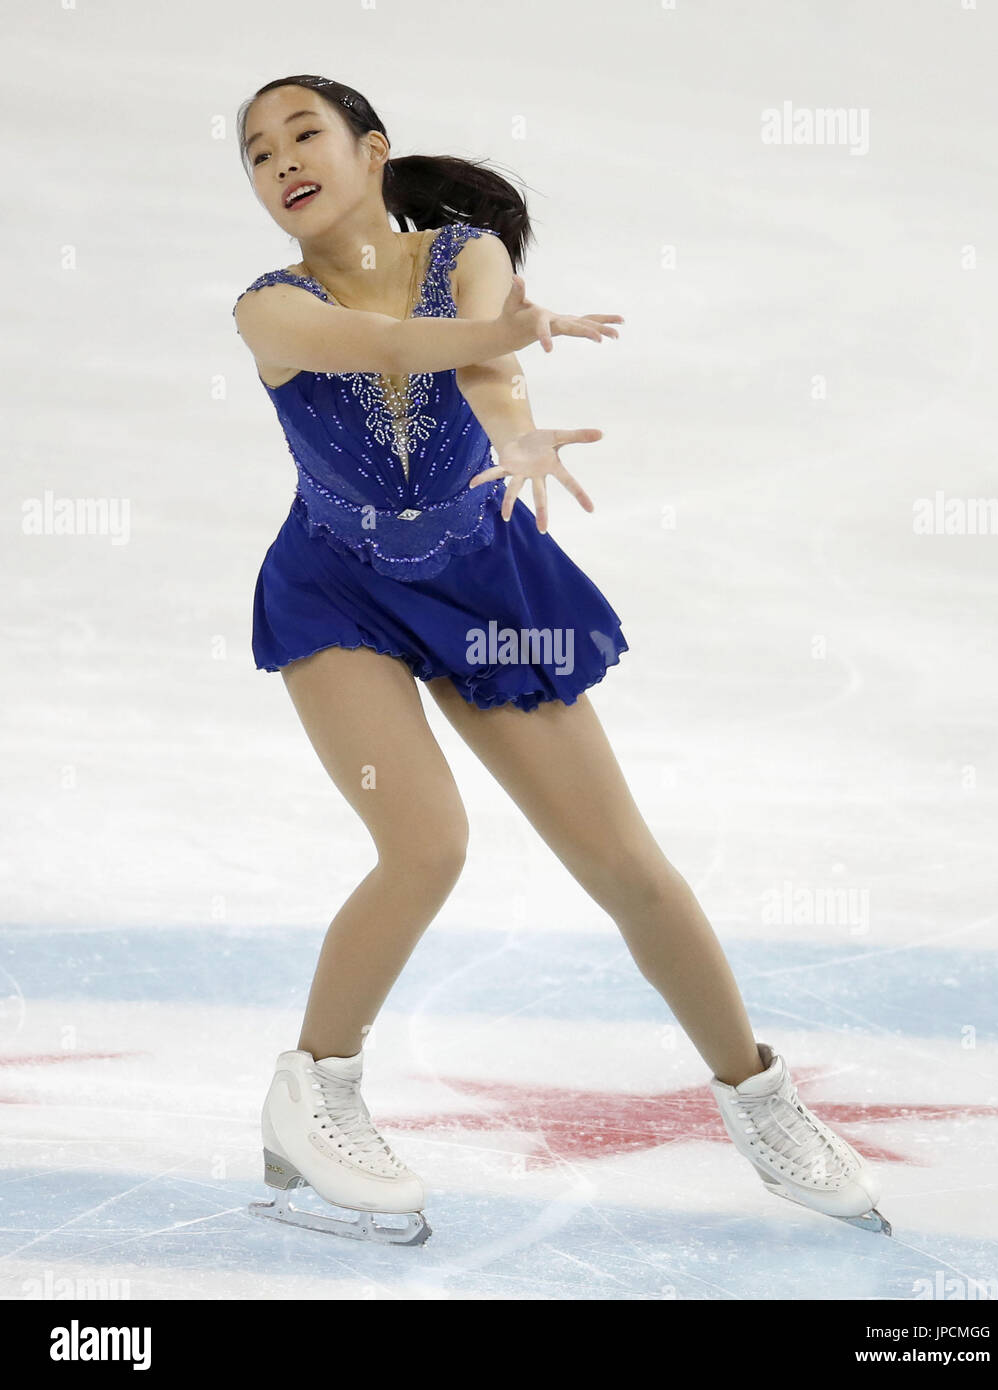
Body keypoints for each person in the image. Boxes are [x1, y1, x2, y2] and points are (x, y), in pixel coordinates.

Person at [231, 75, 890, 1246]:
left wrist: (513, 420)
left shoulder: (467, 251)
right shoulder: (269, 309)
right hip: (338, 584)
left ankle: (758, 1095)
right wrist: (506, 334)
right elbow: (383, 342)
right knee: (424, 841)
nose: (280, 158)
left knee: (627, 865)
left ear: (370, 149)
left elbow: (485, 371)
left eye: (304, 133)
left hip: (482, 583)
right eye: (256, 151)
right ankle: (313, 1090)